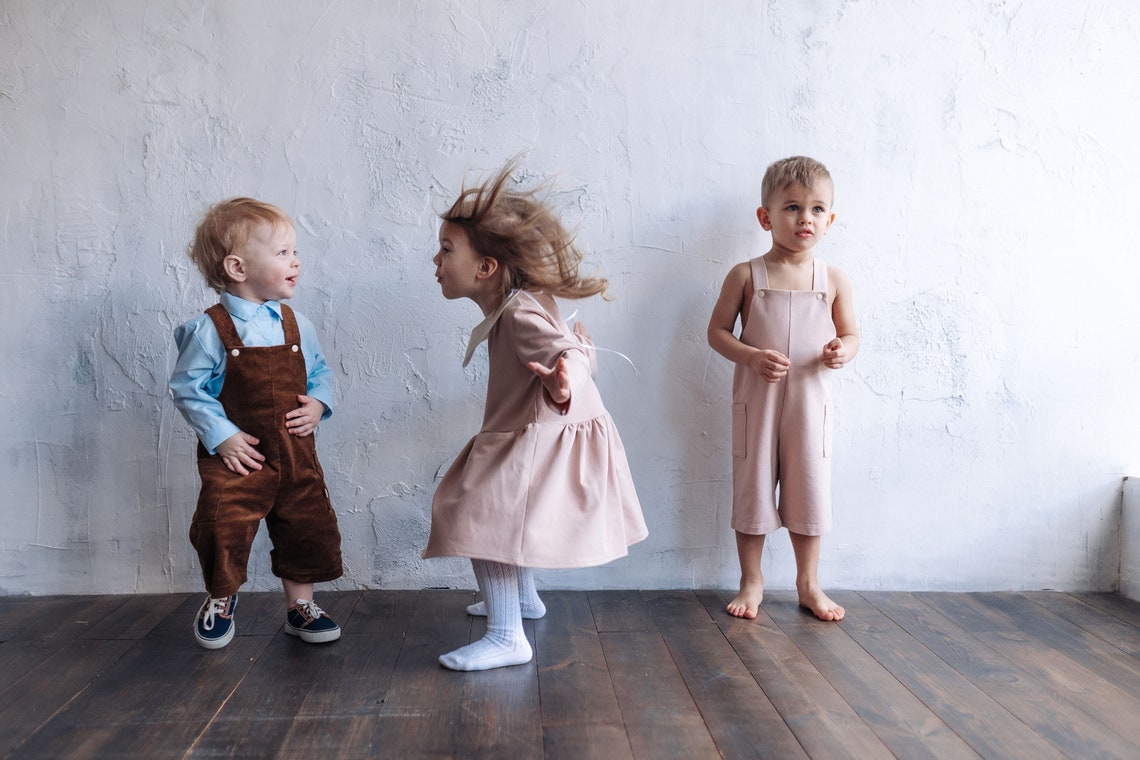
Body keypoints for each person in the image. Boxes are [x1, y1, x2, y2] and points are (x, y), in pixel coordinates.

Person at [425, 160, 648, 671]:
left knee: (477, 515)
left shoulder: (519, 312)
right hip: (535, 430)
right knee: (501, 516)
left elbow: (565, 350)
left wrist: (567, 373)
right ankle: (522, 601)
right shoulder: (520, 303)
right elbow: (573, 343)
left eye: (446, 248)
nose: (435, 259)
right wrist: (574, 363)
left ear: (485, 268)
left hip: (540, 435)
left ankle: (508, 636)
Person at [170, 197, 344, 649]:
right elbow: (188, 388)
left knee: (305, 523)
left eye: (295, 251)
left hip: (294, 452)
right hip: (239, 456)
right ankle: (222, 597)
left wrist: (319, 404)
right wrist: (222, 436)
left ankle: (300, 606)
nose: (296, 261)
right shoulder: (211, 330)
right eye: (283, 253)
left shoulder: (295, 323)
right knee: (222, 523)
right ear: (238, 267)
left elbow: (320, 372)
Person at [707, 156, 859, 622]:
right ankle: (751, 580)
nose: (804, 219)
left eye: (816, 210)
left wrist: (842, 351)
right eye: (792, 208)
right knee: (752, 484)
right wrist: (751, 356)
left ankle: (808, 582)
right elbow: (717, 333)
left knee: (809, 485)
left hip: (811, 404)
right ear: (766, 216)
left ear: (829, 220)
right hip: (758, 401)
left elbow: (852, 336)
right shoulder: (745, 275)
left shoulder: (833, 280)